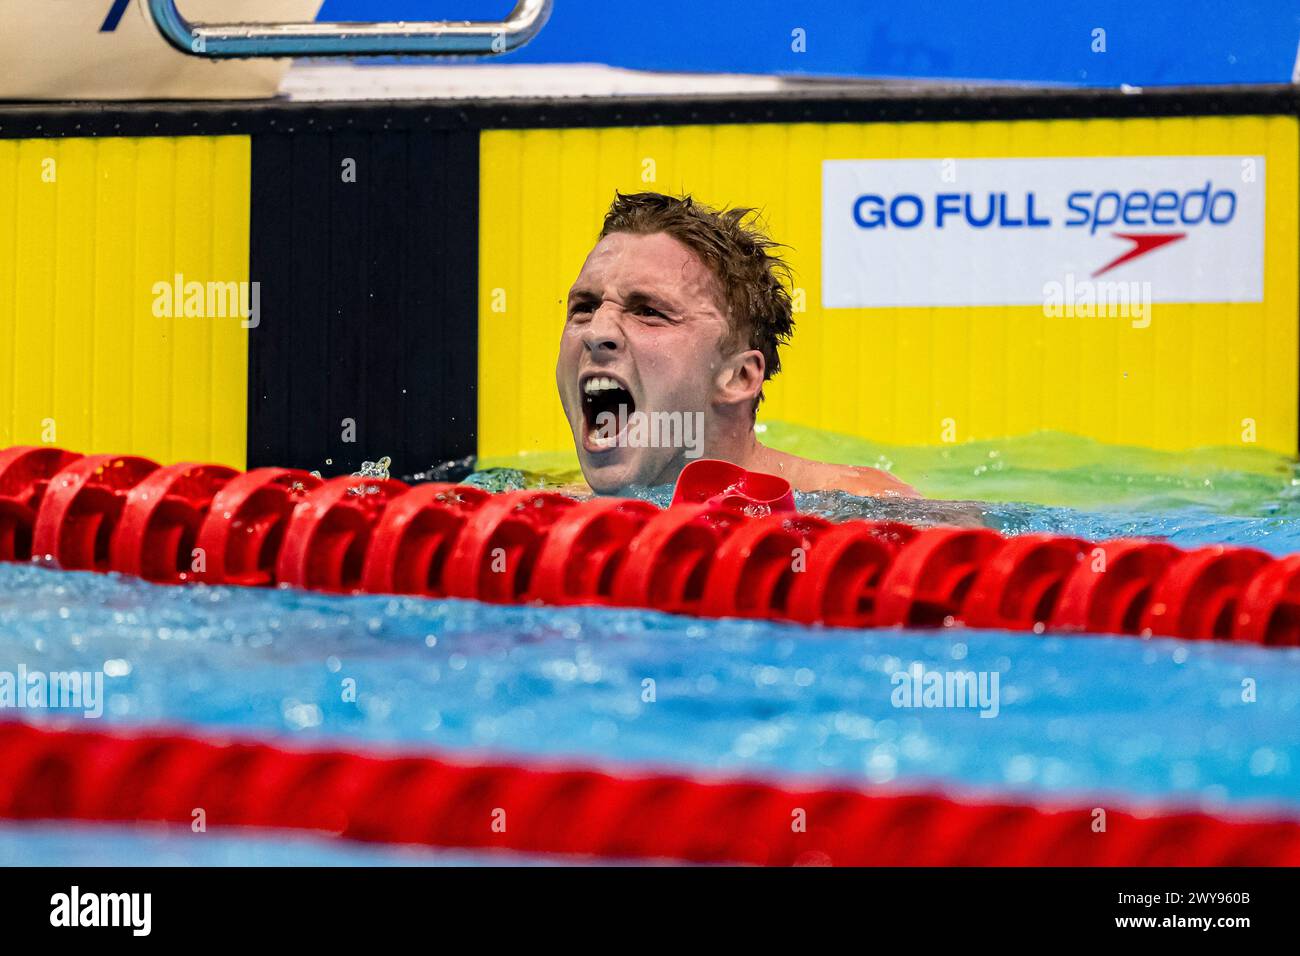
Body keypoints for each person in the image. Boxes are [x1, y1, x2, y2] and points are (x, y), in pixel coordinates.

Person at [555, 191, 917, 498]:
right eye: (584, 308)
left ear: (739, 377)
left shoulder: (857, 504)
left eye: (649, 311)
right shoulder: (552, 515)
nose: (595, 331)